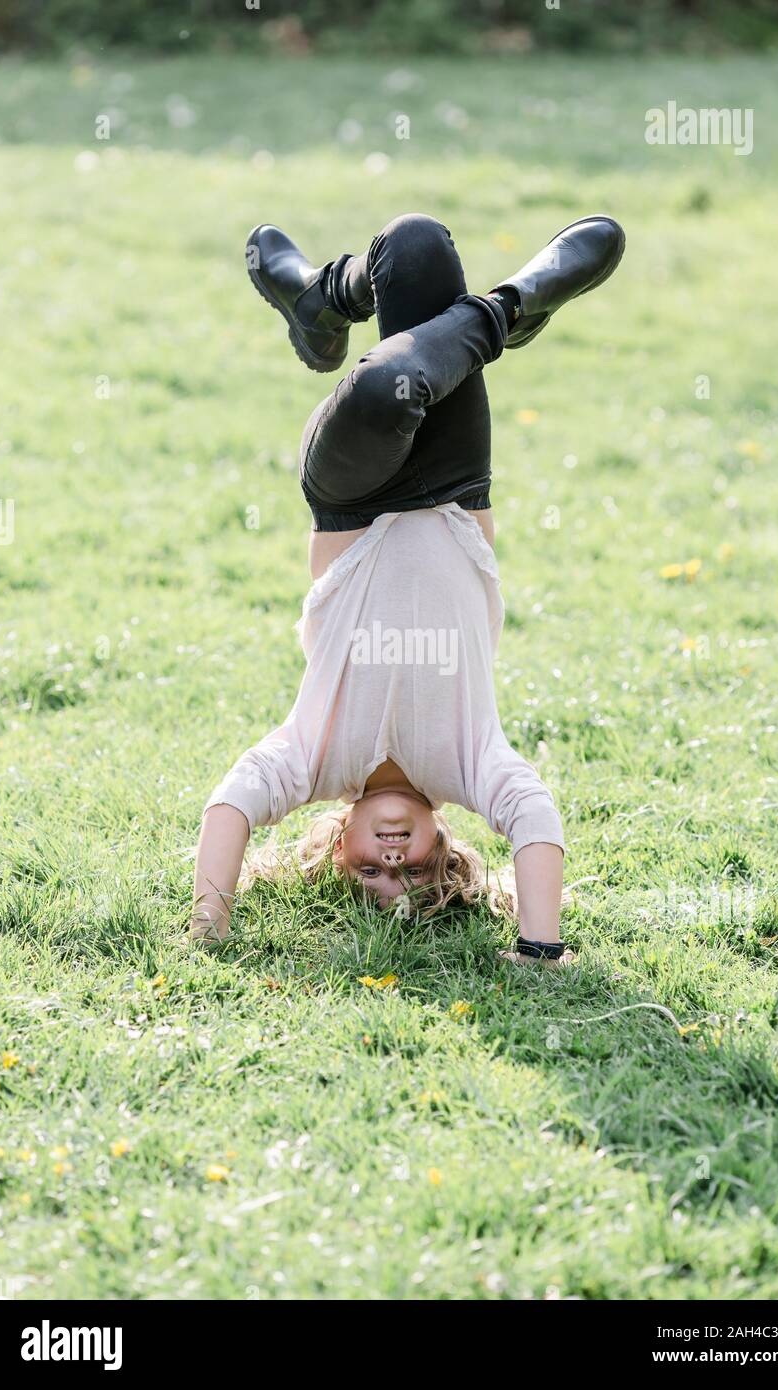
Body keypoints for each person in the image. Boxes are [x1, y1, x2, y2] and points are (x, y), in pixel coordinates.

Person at [191, 211, 625, 964]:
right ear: (445, 844)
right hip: (455, 488)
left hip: (350, 495)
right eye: (420, 875)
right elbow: (534, 818)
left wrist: (208, 930)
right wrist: (539, 950)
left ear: (337, 840)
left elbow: (229, 807)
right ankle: (341, 301)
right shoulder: (468, 762)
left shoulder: (310, 761)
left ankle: (495, 308)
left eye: (369, 874)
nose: (395, 863)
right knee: (418, 245)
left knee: (388, 391)